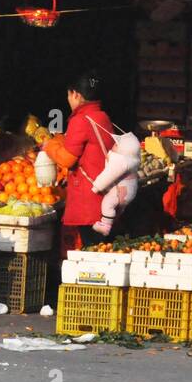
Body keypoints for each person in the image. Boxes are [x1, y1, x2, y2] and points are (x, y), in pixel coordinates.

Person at [43, 71, 114, 251]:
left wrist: (48, 146)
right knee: (103, 249)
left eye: (68, 94)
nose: (68, 99)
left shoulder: (81, 120)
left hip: (89, 200)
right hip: (104, 195)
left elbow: (66, 159)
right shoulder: (102, 117)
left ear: (76, 94)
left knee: (92, 252)